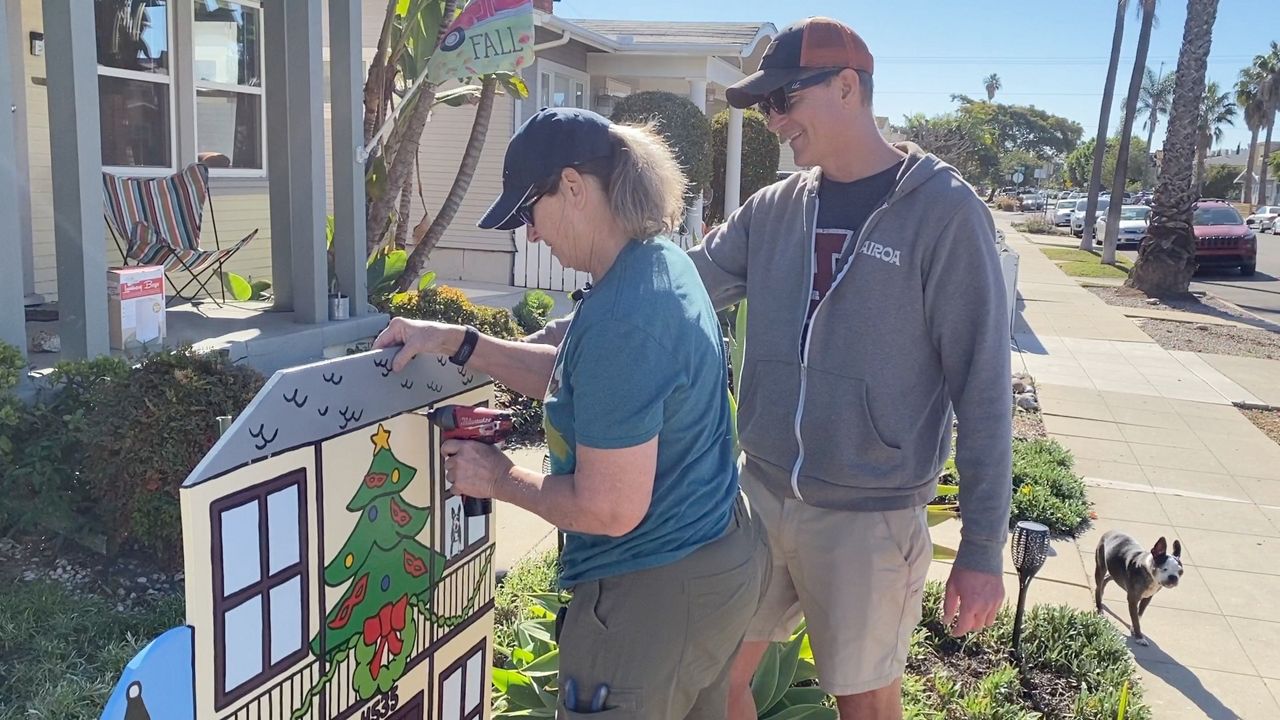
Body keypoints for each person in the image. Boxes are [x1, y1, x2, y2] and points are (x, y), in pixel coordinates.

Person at [535, 16, 1013, 720]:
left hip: (868, 514)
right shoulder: (776, 210)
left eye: (784, 100)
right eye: (765, 107)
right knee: (723, 678)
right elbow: (667, 293)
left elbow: (984, 389)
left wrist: (981, 547)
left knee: (866, 703)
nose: (772, 121)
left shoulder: (945, 216)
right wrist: (554, 338)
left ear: (848, 87)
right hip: (758, 496)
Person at [373, 107, 768, 719]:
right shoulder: (658, 262)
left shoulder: (625, 318)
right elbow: (579, 375)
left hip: (648, 593)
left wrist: (498, 479)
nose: (530, 233)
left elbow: (609, 508)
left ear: (575, 188)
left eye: (529, 211)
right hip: (717, 560)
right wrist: (459, 341)